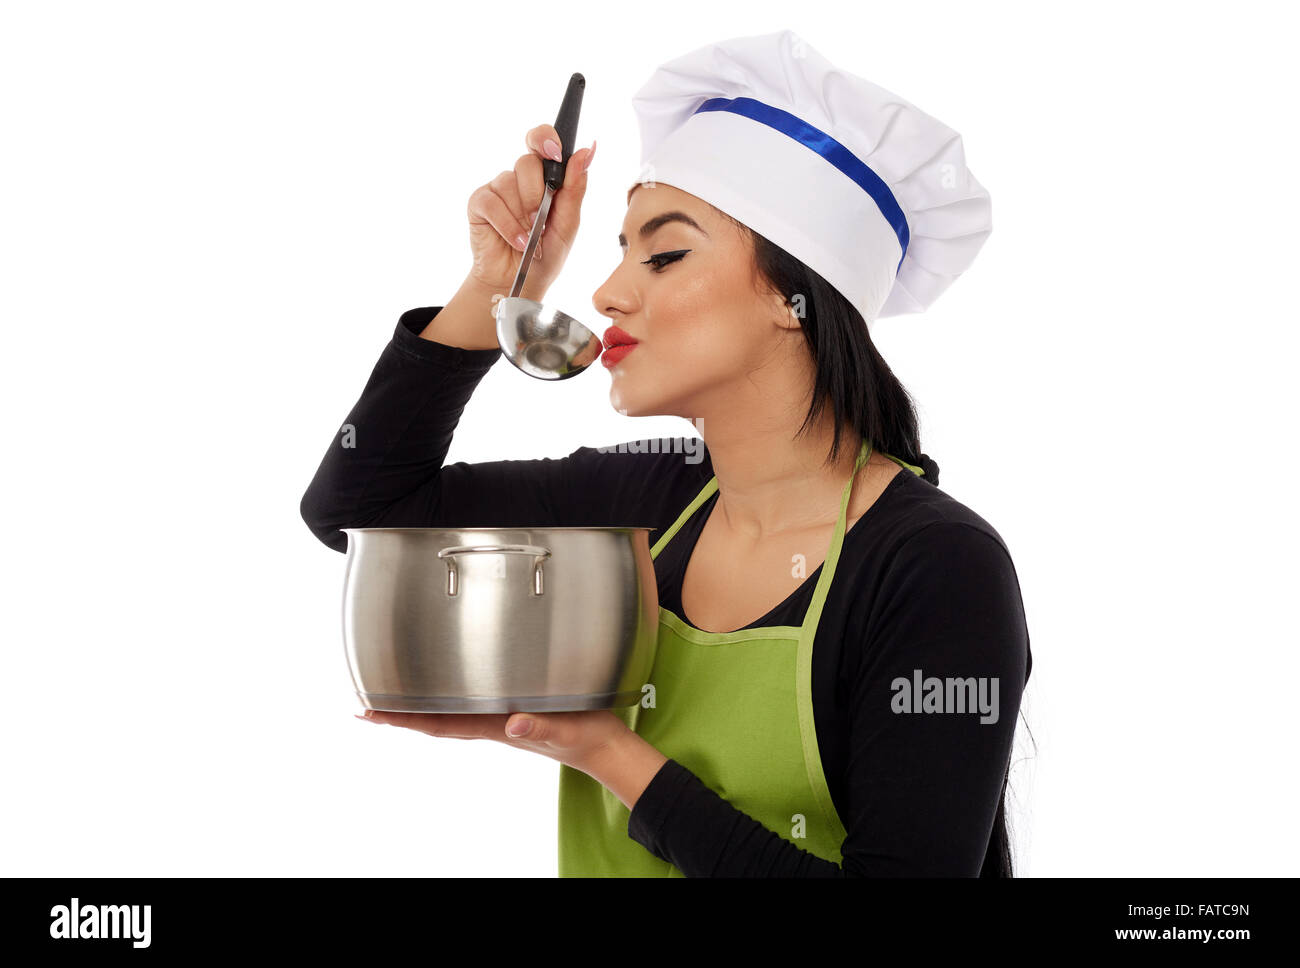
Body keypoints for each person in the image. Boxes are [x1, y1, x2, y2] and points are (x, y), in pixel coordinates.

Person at [300, 30, 1032, 877]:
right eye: (618, 254)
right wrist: (498, 286)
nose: (609, 294)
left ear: (794, 300)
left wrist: (611, 754)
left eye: (665, 254)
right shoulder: (646, 499)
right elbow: (360, 512)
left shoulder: (936, 567)